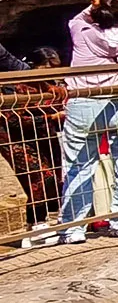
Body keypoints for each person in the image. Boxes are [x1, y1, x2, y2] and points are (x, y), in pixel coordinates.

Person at [56, 0, 118, 243]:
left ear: (100, 13)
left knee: (78, 164)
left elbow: (76, 20)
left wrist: (92, 6)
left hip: (84, 101)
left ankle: (74, 227)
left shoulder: (84, 31)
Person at [1, 48, 65, 247]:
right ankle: (38, 226)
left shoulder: (51, 84)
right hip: (14, 137)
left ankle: (38, 225)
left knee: (55, 176)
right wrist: (52, 117)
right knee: (38, 177)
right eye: (47, 68)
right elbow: (13, 119)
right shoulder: (15, 85)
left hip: (43, 134)